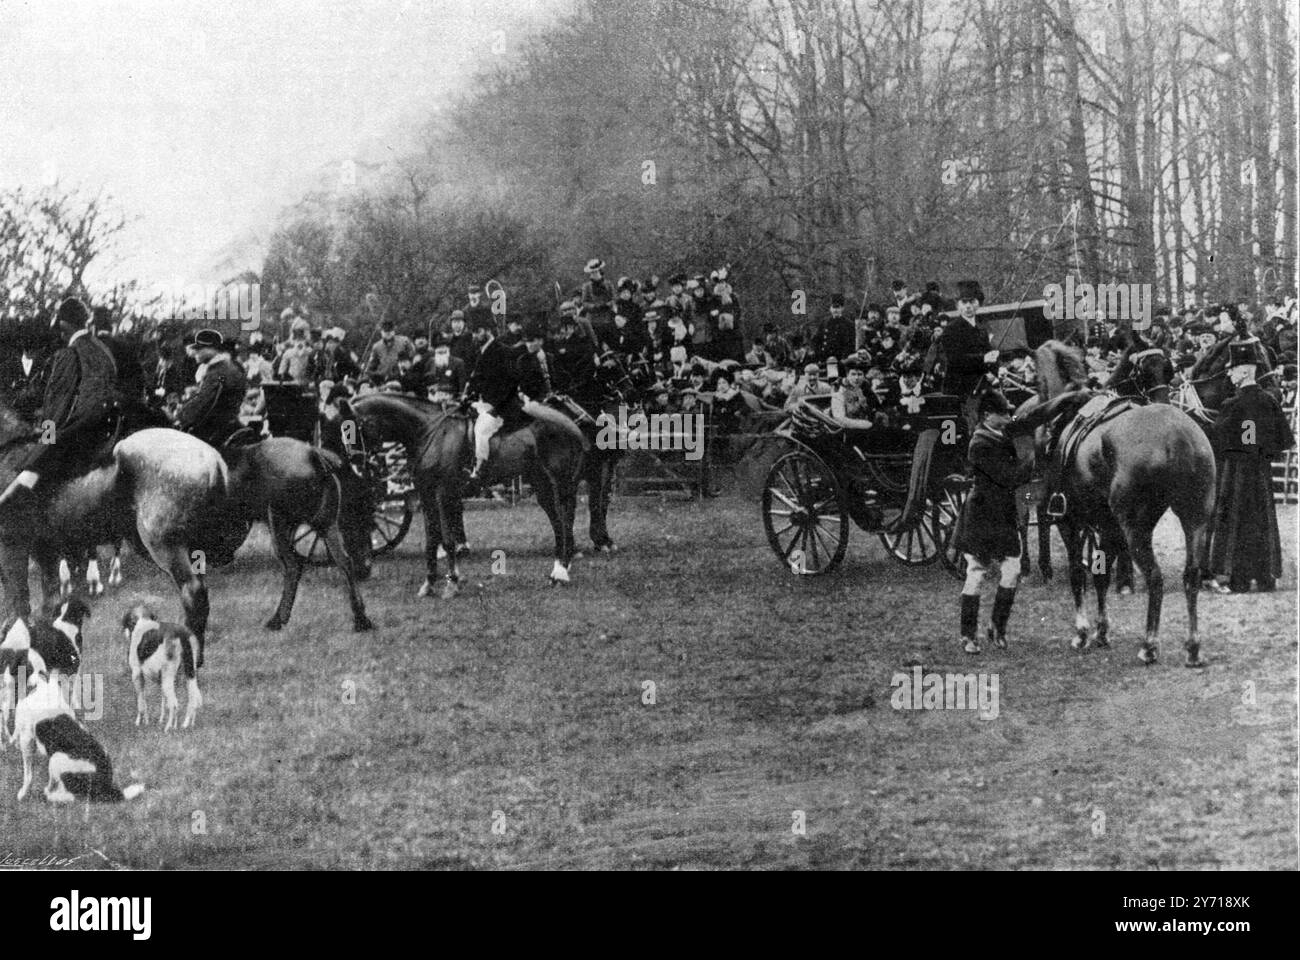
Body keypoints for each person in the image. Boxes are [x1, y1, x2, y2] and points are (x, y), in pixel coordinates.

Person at [0, 298, 120, 513]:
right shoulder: (103, 349)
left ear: (64, 324)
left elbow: (58, 405)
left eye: (59, 325)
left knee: (33, 464)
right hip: (109, 425)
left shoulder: (68, 353)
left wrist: (45, 437)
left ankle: (17, 505)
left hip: (80, 426)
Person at [1207, 342, 1294, 592]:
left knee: (1236, 521)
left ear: (1244, 371)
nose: (1230, 375)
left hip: (1235, 475)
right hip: (1262, 473)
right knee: (1263, 520)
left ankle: (1240, 579)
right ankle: (1266, 577)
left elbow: (1217, 442)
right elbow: (1282, 442)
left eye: (1233, 370)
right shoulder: (1269, 401)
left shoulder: (1231, 405)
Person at [952, 388, 1033, 655]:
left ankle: (997, 627)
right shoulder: (980, 444)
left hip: (1002, 514)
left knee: (1011, 570)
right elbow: (1007, 478)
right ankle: (967, 635)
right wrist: (1032, 463)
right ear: (988, 415)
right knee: (976, 572)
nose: (1009, 417)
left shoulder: (999, 436)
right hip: (983, 515)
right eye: (1004, 413)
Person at [463, 314, 522, 490]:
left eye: (478, 331)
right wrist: (467, 396)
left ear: (487, 331)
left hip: (502, 406)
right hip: (483, 403)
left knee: (481, 428)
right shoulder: (480, 352)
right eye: (473, 332)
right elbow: (476, 380)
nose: (475, 335)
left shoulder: (501, 351)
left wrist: (496, 408)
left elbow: (511, 383)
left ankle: (479, 469)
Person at [932, 279, 998, 429]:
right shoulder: (951, 329)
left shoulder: (982, 328)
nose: (968, 306)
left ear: (978, 304)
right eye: (964, 302)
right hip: (960, 391)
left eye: (972, 301)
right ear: (958, 305)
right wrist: (983, 359)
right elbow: (954, 359)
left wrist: (996, 371)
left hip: (982, 387)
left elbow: (991, 354)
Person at [176, 329, 248, 448]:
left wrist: (180, 414)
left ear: (212, 349)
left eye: (199, 348)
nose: (195, 352)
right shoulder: (227, 367)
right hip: (229, 422)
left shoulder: (219, 372)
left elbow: (207, 401)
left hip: (215, 429)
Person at [365, 319, 414, 383]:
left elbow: (413, 358)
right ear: (381, 332)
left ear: (393, 331)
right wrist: (371, 375)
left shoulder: (404, 341)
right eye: (385, 331)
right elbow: (371, 366)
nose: (388, 333)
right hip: (383, 380)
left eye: (390, 330)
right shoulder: (376, 347)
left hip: (402, 379)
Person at [812, 294, 855, 364]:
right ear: (830, 308)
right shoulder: (824, 323)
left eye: (838, 307)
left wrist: (844, 358)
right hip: (825, 359)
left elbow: (851, 344)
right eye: (833, 307)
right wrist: (819, 354)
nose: (835, 310)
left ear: (842, 308)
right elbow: (816, 340)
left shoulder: (849, 324)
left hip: (841, 360)